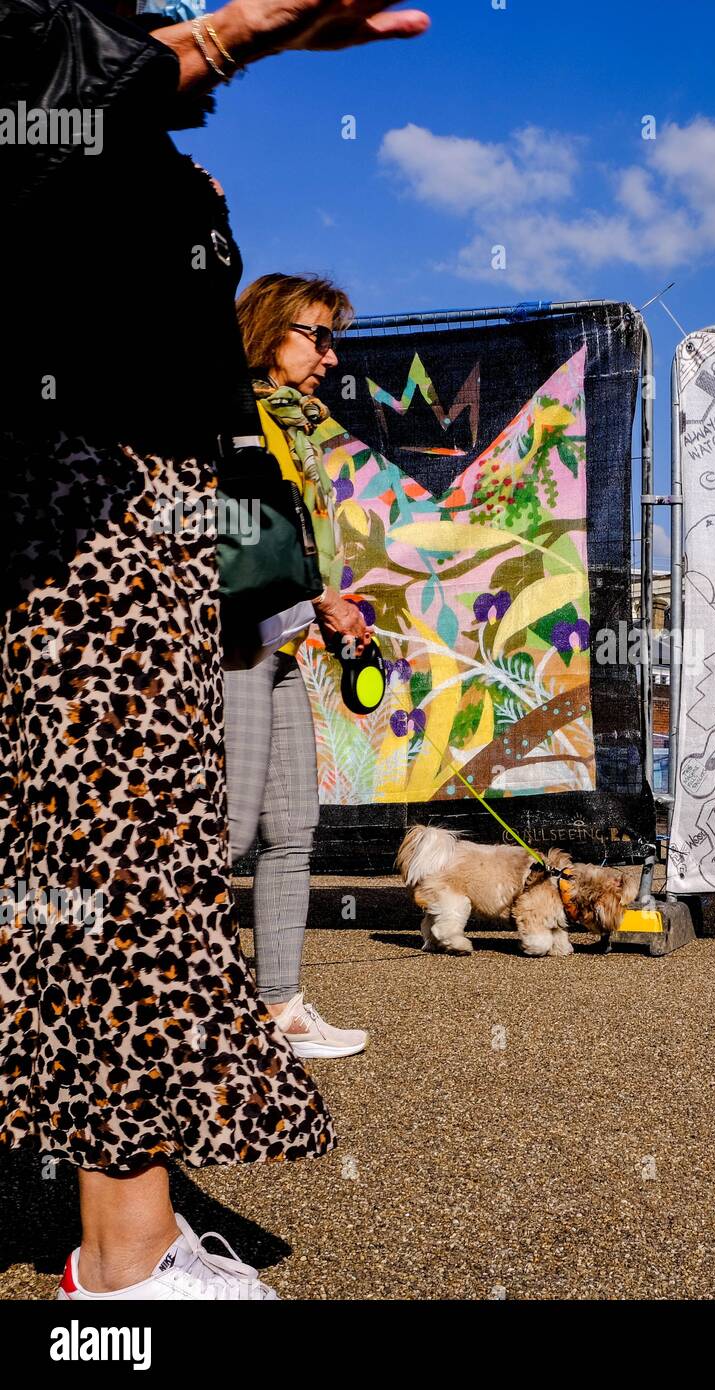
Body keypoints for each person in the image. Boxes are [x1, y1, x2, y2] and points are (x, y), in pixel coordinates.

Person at [0, 0, 427, 1301]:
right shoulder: (57, 79)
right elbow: (40, 104)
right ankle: (119, 1271)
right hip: (82, 511)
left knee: (117, 871)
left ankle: (129, 1239)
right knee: (121, 870)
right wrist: (238, 34)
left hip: (134, 521)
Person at [226, 272, 371, 1059]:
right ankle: (180, 1007)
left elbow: (288, 545)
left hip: (281, 643)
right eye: (318, 335)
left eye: (333, 338)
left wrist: (322, 601)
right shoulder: (233, 414)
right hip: (235, 645)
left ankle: (278, 1008)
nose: (331, 354)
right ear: (271, 331)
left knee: (292, 832)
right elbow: (237, 545)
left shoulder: (299, 429)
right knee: (223, 832)